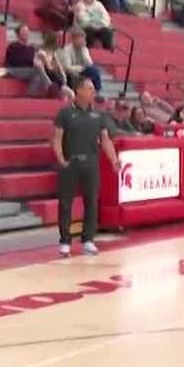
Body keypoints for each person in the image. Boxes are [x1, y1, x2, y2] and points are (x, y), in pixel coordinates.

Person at [53, 77, 118, 257]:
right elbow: (57, 138)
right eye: (89, 89)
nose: (93, 92)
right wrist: (60, 158)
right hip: (70, 164)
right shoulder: (65, 113)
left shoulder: (99, 116)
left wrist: (113, 160)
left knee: (91, 202)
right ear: (79, 91)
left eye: (93, 89)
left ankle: (88, 240)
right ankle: (65, 242)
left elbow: (105, 140)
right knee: (65, 203)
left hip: (91, 164)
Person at [4, 25, 52, 97]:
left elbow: (30, 60)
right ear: (18, 34)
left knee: (36, 76)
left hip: (27, 70)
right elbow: (16, 61)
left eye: (27, 31)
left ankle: (30, 96)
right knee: (37, 70)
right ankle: (50, 87)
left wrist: (37, 62)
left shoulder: (30, 47)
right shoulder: (13, 46)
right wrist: (32, 62)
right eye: (23, 31)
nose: (26, 33)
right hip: (13, 70)